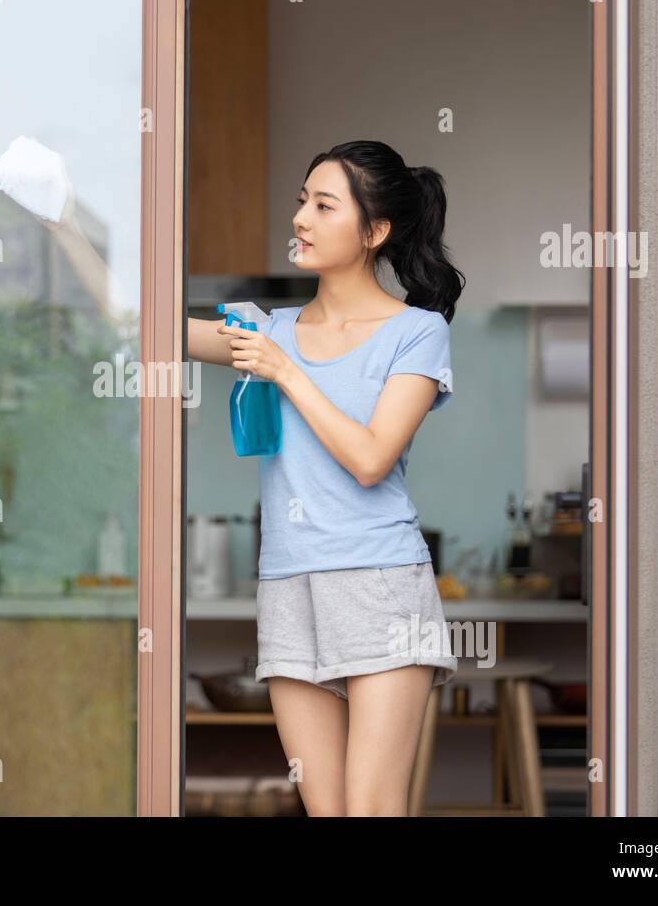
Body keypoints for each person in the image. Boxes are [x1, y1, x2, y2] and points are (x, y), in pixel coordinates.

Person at [187, 140, 465, 816]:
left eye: (322, 204)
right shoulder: (267, 329)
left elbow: (371, 458)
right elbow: (146, 330)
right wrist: (70, 223)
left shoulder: (416, 333)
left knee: (372, 810)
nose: (300, 220)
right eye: (300, 202)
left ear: (375, 232)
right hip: (289, 587)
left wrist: (285, 369)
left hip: (379, 584)